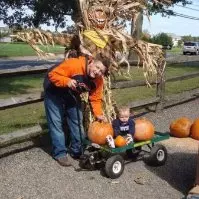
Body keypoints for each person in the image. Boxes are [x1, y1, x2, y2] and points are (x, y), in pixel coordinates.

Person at [43, 53, 110, 166]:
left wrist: (98, 114)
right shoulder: (75, 64)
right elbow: (52, 74)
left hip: (72, 92)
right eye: (97, 67)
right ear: (91, 61)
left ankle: (77, 150)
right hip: (53, 88)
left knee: (77, 121)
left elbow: (95, 98)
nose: (98, 72)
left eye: (101, 71)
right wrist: (67, 81)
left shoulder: (98, 80)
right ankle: (60, 153)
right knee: (56, 122)